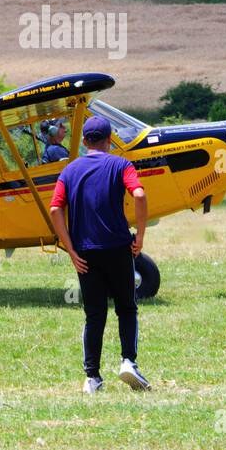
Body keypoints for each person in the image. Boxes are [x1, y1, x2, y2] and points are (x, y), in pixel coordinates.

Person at [49, 115, 150, 393]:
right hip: (118, 248)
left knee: (94, 315)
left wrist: (70, 249)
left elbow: (55, 208)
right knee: (126, 308)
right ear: (109, 141)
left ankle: (92, 377)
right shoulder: (121, 164)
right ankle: (128, 362)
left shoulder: (69, 170)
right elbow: (139, 195)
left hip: (85, 254)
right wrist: (139, 236)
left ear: (84, 142)